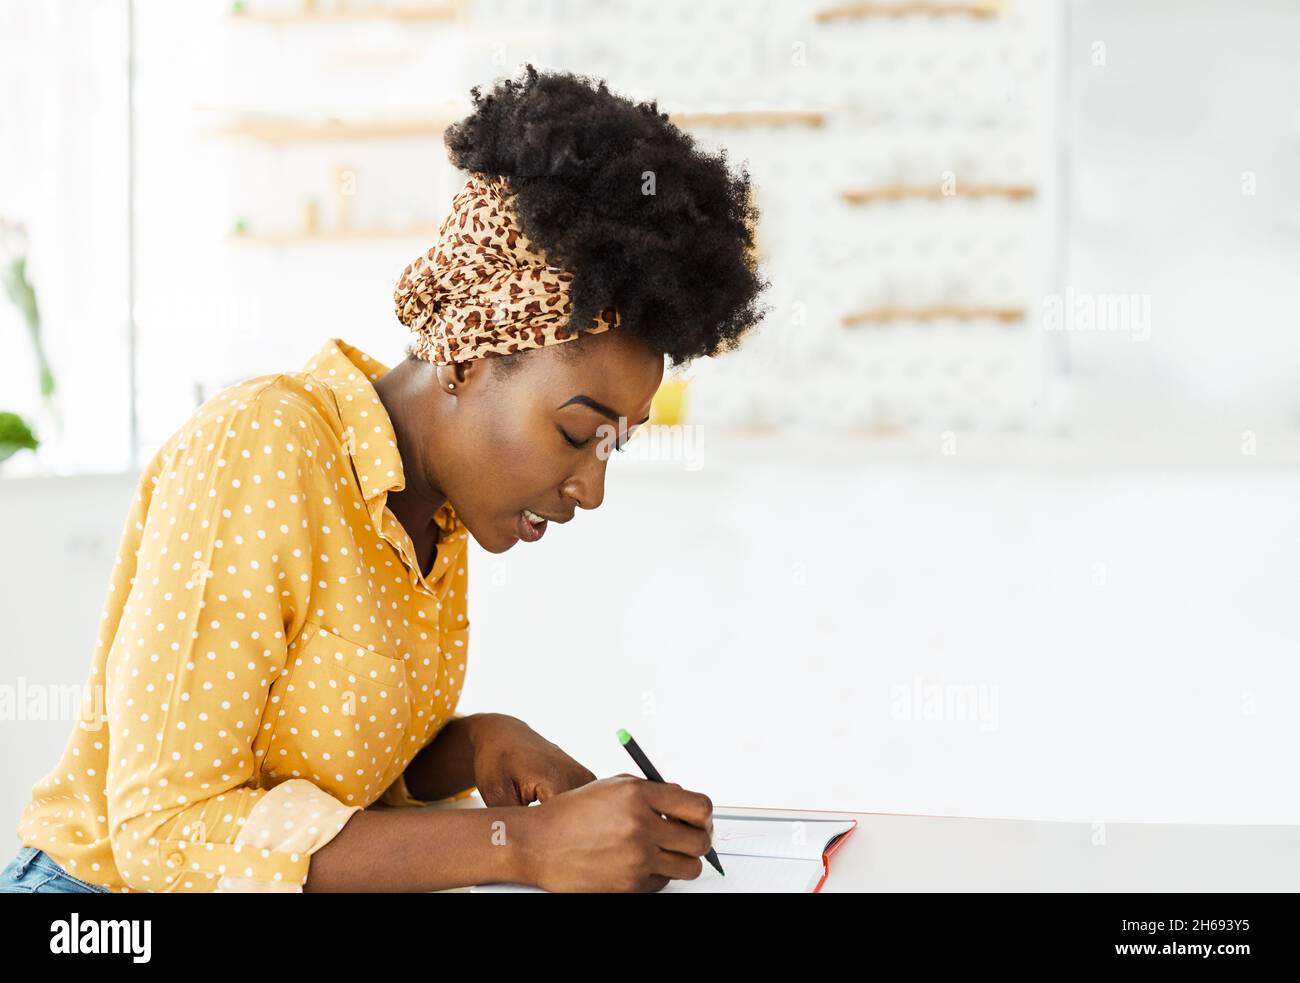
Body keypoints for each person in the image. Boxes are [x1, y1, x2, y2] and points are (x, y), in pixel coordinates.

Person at [4, 64, 769, 893]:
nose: (592, 488)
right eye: (577, 434)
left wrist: (476, 743)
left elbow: (309, 766)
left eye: (612, 446)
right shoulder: (265, 446)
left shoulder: (435, 515)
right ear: (471, 356)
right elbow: (165, 832)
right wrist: (522, 843)